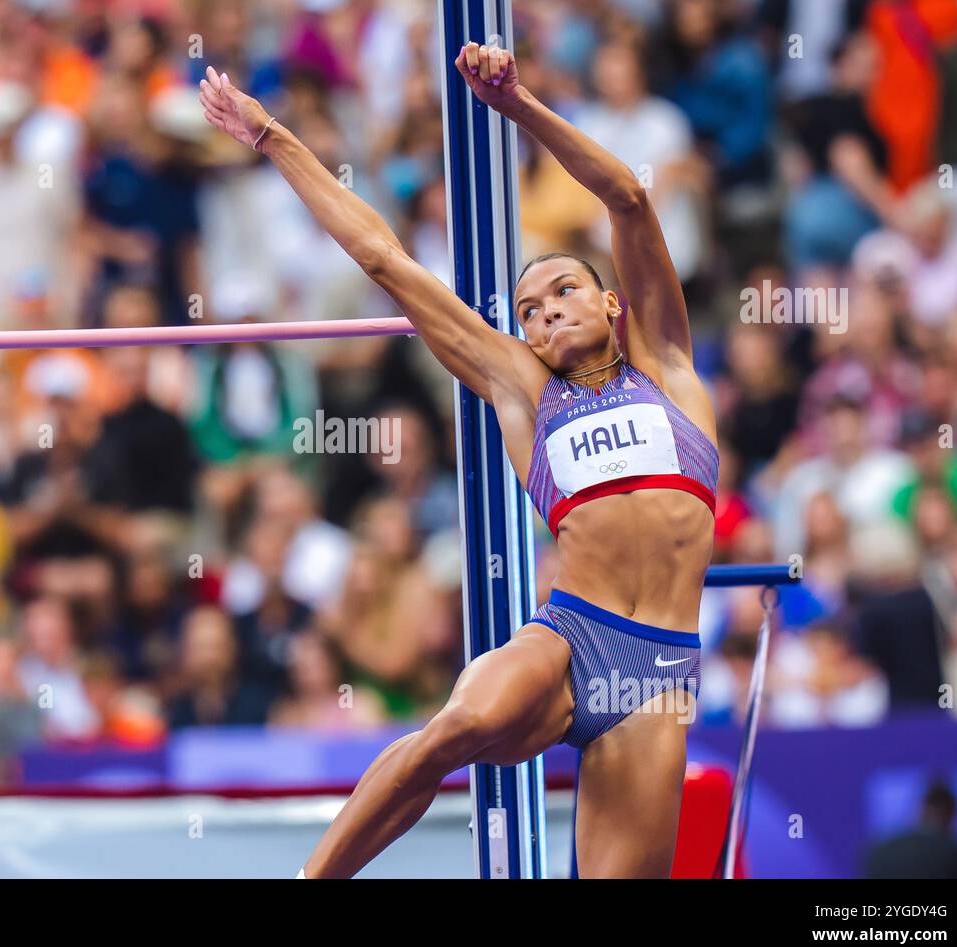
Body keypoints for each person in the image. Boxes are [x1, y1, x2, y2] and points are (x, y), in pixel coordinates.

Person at [200, 40, 720, 878]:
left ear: (613, 302)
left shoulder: (670, 369)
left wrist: (517, 107)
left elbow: (625, 195)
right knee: (458, 725)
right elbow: (384, 259)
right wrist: (273, 138)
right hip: (573, 636)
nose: (547, 313)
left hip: (658, 671)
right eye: (530, 311)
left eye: (564, 290)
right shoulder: (526, 392)